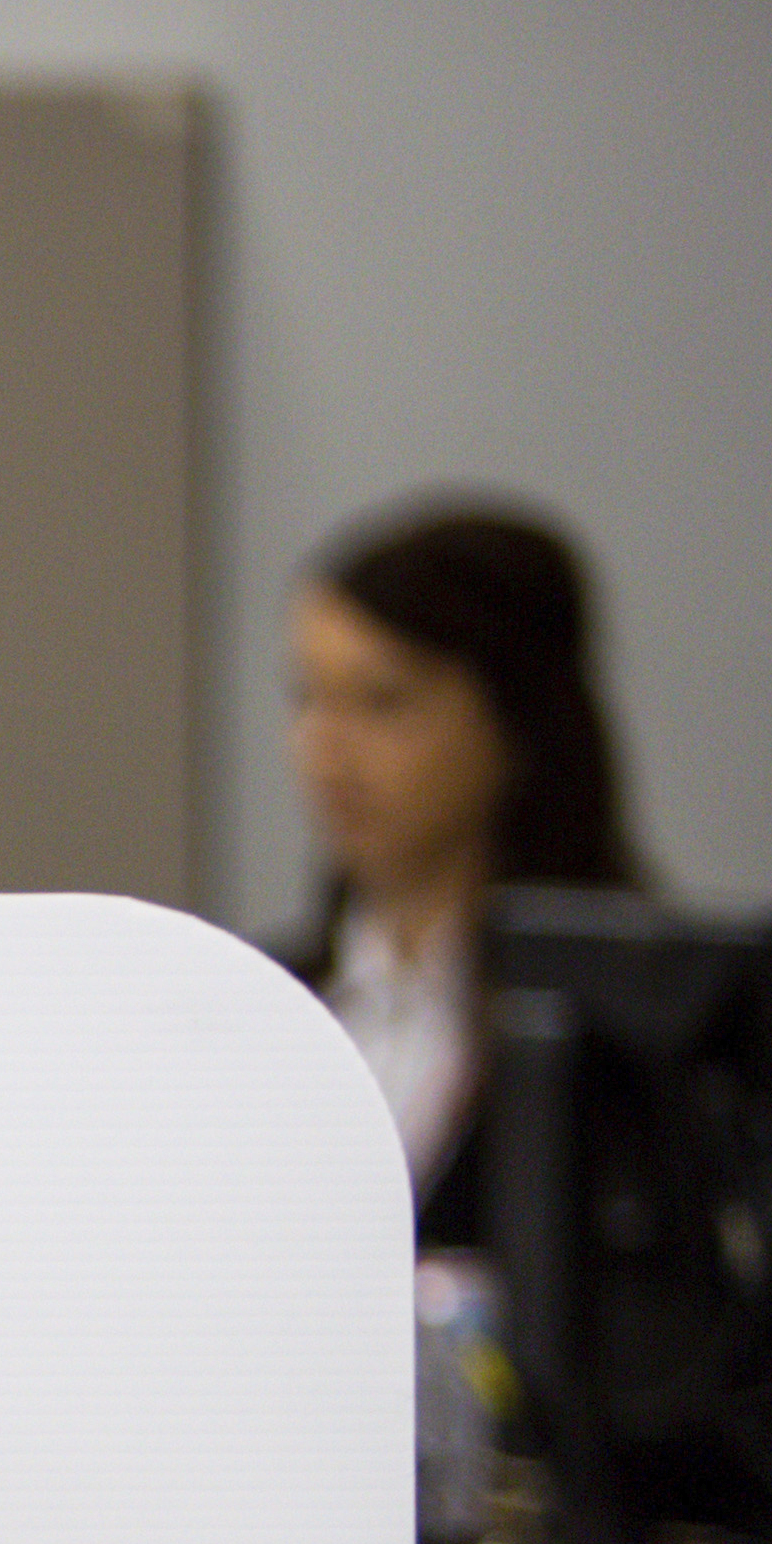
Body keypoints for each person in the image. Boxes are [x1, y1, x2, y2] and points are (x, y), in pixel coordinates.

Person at [274, 500, 649, 1235]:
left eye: (383, 702)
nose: (326, 750)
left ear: (516, 719)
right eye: (308, 698)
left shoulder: (638, 1036)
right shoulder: (263, 1007)